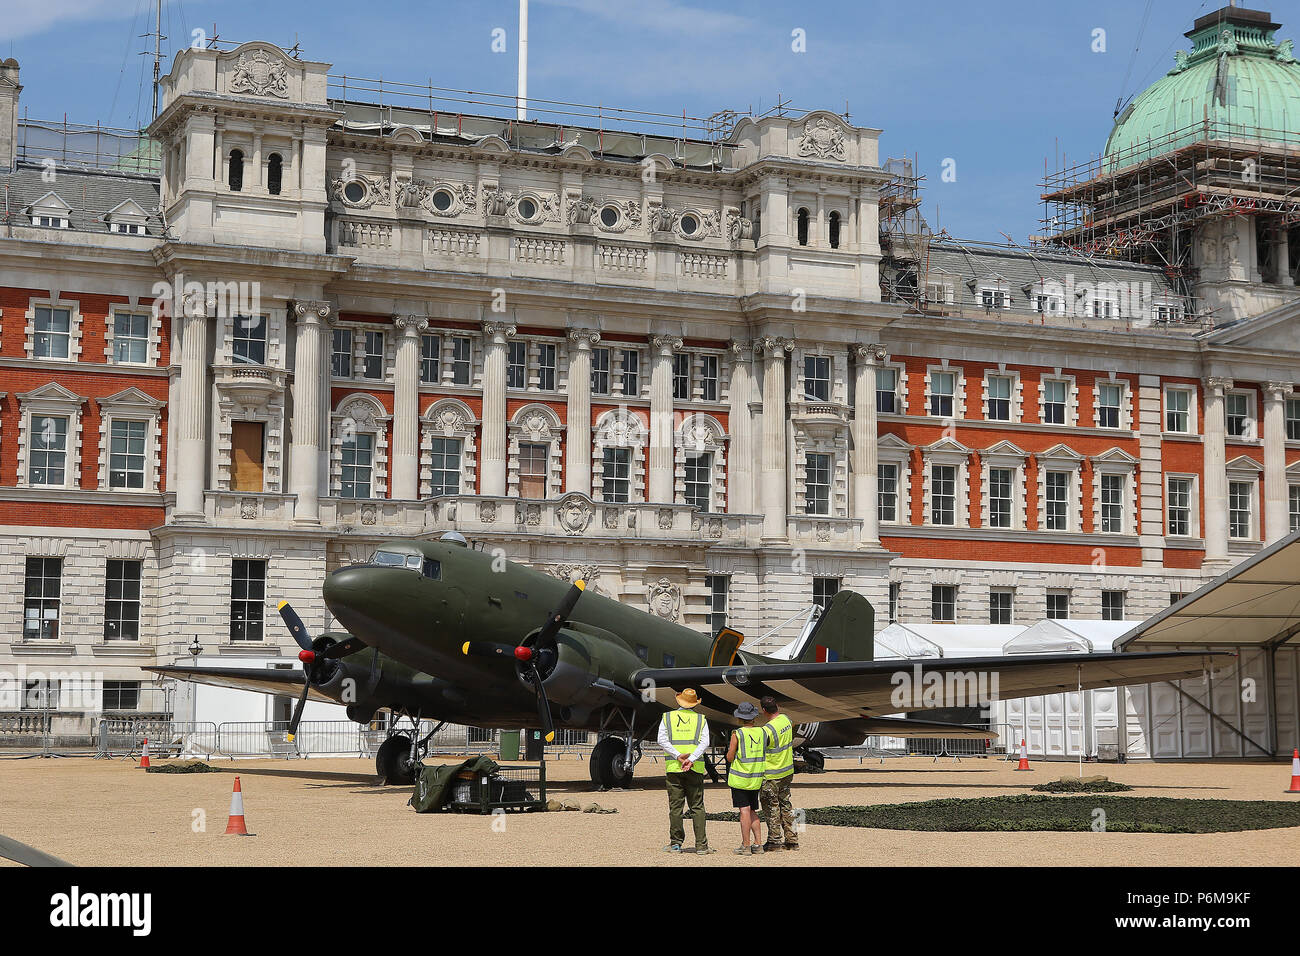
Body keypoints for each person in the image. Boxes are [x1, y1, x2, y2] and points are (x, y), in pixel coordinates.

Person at [658, 688, 715, 855]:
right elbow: (705, 742)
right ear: (695, 703)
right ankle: (701, 846)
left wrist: (678, 757)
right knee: (697, 807)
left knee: (676, 807)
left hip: (674, 768)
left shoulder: (668, 717)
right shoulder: (701, 719)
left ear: (679, 701)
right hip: (695, 768)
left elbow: (661, 739)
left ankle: (675, 844)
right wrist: (692, 759)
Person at [725, 701, 766, 855]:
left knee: (744, 811)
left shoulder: (738, 733)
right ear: (753, 717)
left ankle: (746, 845)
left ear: (739, 718)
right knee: (753, 810)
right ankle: (758, 844)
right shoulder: (762, 732)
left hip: (740, 778)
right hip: (755, 778)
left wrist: (732, 754)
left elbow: (730, 757)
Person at [759, 695, 799, 851]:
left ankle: (774, 840)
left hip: (771, 773)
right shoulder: (786, 720)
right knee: (786, 805)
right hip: (787, 770)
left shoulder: (767, 730)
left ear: (763, 710)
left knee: (771, 807)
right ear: (777, 707)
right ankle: (792, 839)